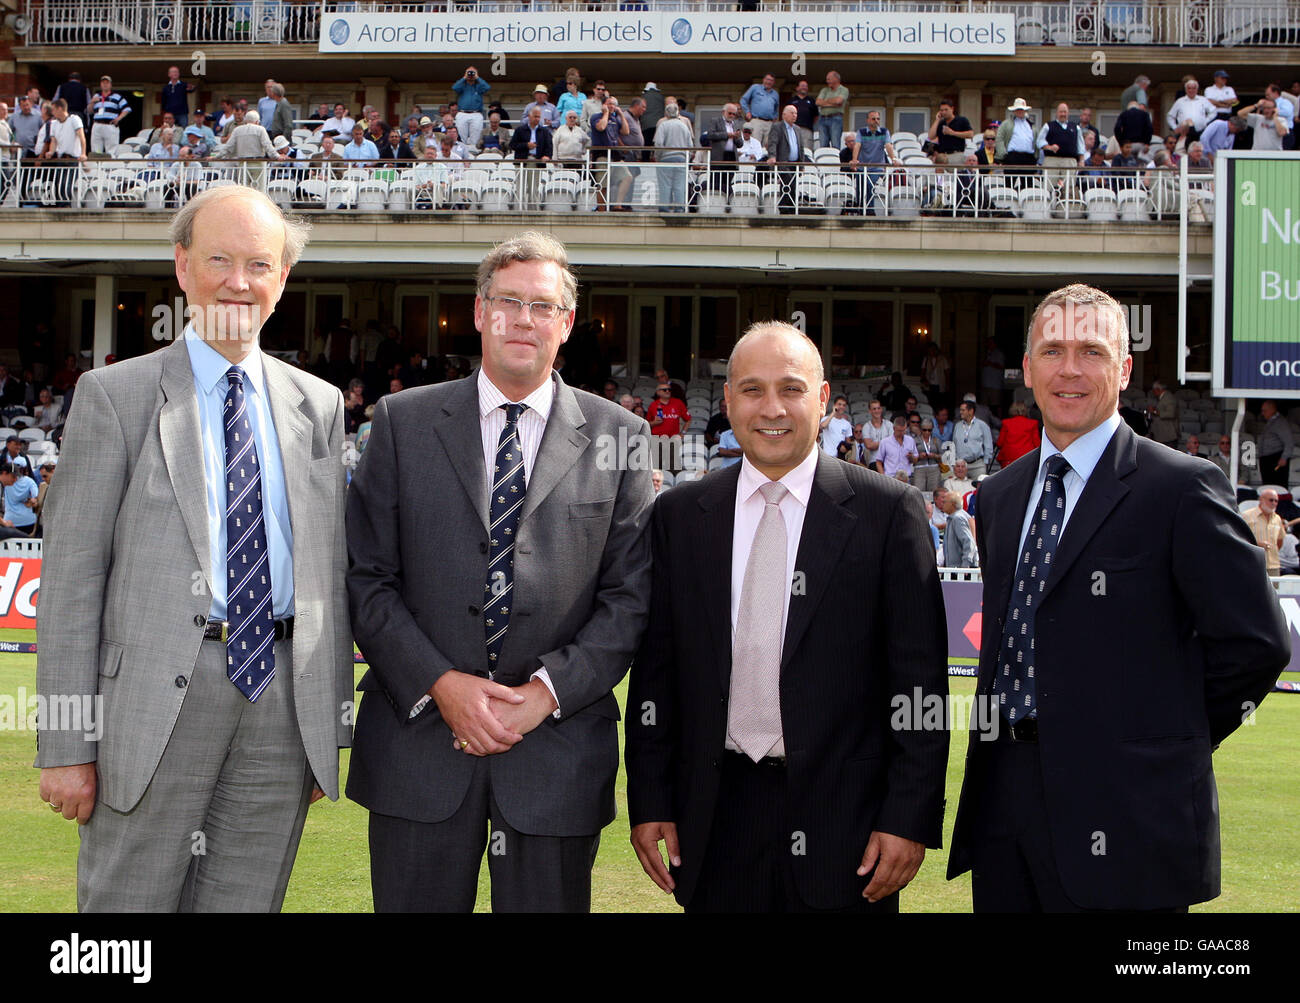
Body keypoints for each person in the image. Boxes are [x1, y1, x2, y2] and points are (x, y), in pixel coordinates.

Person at [35, 186, 353, 912]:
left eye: (259, 264)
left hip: (279, 707)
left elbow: (326, 578)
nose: (238, 281)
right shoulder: (114, 395)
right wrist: (63, 744)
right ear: (182, 268)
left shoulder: (320, 406)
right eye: (219, 259)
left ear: (282, 280)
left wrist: (324, 729)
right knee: (127, 916)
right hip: (150, 706)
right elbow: (72, 582)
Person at [947, 283, 1290, 912]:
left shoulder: (1182, 488)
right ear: (1027, 368)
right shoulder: (998, 498)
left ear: (1124, 369)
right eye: (1052, 351)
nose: (1069, 369)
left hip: (1129, 817)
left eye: (1092, 352)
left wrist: (1157, 741)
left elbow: (1256, 645)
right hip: (1005, 815)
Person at [345, 232, 654, 912]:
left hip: (555, 753)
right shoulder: (402, 422)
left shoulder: (620, 437)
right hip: (418, 745)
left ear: (566, 324)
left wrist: (545, 692)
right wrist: (441, 684)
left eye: (542, 306)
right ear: (480, 312)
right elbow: (367, 579)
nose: (524, 319)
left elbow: (629, 601)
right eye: (508, 301)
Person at [625, 320, 947, 912]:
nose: (771, 407)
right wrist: (650, 801)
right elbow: (656, 675)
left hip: (846, 829)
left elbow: (919, 682)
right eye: (751, 389)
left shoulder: (888, 513)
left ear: (824, 400)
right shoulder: (679, 516)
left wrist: (909, 815)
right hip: (714, 821)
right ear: (727, 402)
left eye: (791, 389)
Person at [1243, 489, 1286, 575]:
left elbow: (1279, 541)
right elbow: (1240, 538)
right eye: (1271, 500)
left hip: (1273, 566)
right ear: (1261, 499)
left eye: (1276, 501)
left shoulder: (1277, 518)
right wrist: (1257, 544)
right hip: (1253, 563)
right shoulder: (1247, 516)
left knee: (1274, 588)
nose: (1274, 503)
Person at [1256, 399, 1293, 485]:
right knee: (1267, 485)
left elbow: (1289, 442)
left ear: (1272, 410)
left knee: (1277, 486)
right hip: (1267, 459)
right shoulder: (1270, 422)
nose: (1262, 413)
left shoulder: (1280, 423)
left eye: (1264, 411)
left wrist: (1284, 458)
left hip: (1275, 459)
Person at [996, 400, 1041, 468]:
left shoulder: (1006, 423)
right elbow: (1037, 443)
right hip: (1027, 457)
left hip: (1009, 457)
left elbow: (1000, 443)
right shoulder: (1032, 423)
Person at [940, 489, 975, 568]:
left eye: (945, 502)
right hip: (955, 568)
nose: (942, 504)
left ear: (952, 504)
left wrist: (966, 563)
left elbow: (968, 541)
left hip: (961, 570)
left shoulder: (958, 518)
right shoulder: (952, 518)